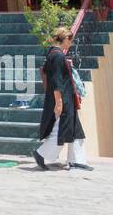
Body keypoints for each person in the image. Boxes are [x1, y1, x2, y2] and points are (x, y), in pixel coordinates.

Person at [33, 26, 92, 171]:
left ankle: (77, 161)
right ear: (65, 39)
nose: (70, 43)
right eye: (70, 40)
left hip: (67, 99)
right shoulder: (58, 56)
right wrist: (59, 102)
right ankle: (41, 153)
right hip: (63, 99)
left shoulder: (52, 54)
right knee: (60, 130)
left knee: (75, 130)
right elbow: (57, 80)